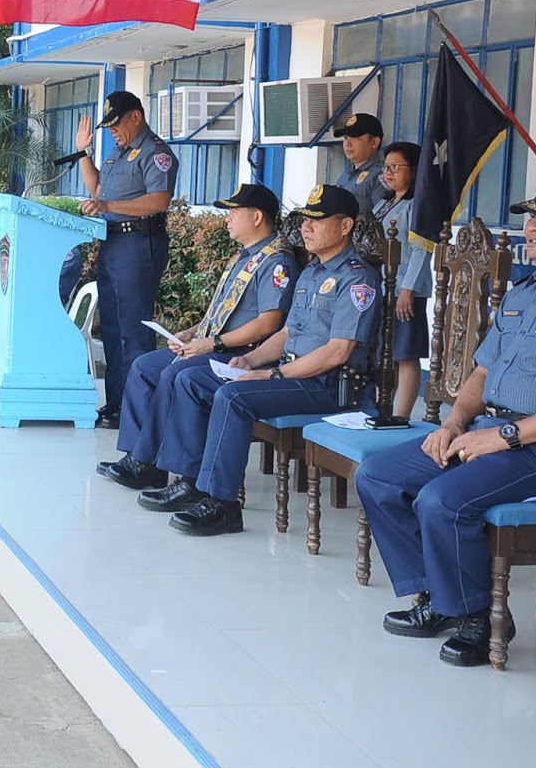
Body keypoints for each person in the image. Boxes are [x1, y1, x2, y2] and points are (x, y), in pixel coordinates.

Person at [355, 172, 536, 667]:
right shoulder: (525, 291)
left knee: (443, 500)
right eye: (532, 219)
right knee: (379, 474)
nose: (533, 228)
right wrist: (455, 422)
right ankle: (438, 596)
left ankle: (479, 615)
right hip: (491, 433)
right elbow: (480, 371)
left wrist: (506, 436)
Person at [150, 184, 383, 536]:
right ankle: (192, 482)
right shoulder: (312, 272)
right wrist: (250, 360)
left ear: (345, 226)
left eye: (317, 221)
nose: (306, 227)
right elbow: (287, 335)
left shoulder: (356, 278)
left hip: (331, 386)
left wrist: (272, 375)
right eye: (305, 219)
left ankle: (223, 504)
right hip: (293, 374)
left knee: (232, 397)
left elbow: (338, 352)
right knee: (191, 379)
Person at [97, 184, 300, 501]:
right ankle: (143, 460)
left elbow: (269, 323)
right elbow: (222, 310)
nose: (228, 219)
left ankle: (186, 474)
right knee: (144, 367)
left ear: (257, 217)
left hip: (242, 354)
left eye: (234, 212)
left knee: (176, 375)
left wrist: (213, 343)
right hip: (216, 344)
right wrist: (192, 332)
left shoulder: (277, 262)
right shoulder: (244, 256)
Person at [72, 90, 179, 429]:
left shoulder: (155, 152)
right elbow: (98, 191)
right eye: (110, 126)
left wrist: (108, 207)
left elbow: (160, 200)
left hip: (139, 244)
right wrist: (83, 152)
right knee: (114, 328)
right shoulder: (119, 153)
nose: (113, 131)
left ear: (136, 116)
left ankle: (139, 410)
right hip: (114, 243)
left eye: (117, 124)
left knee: (134, 330)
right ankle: (117, 404)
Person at [373, 141, 429, 417]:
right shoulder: (384, 203)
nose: (389, 172)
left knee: (406, 353)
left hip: (406, 290)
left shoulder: (418, 205)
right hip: (382, 287)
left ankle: (402, 415)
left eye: (396, 167)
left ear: (415, 170)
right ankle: (382, 409)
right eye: (387, 167)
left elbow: (422, 250)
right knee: (385, 353)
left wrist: (408, 289)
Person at [332, 112, 386, 216]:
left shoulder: (381, 175)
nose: (347, 143)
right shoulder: (348, 171)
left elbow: (380, 218)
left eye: (355, 137)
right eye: (346, 138)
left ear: (374, 142)